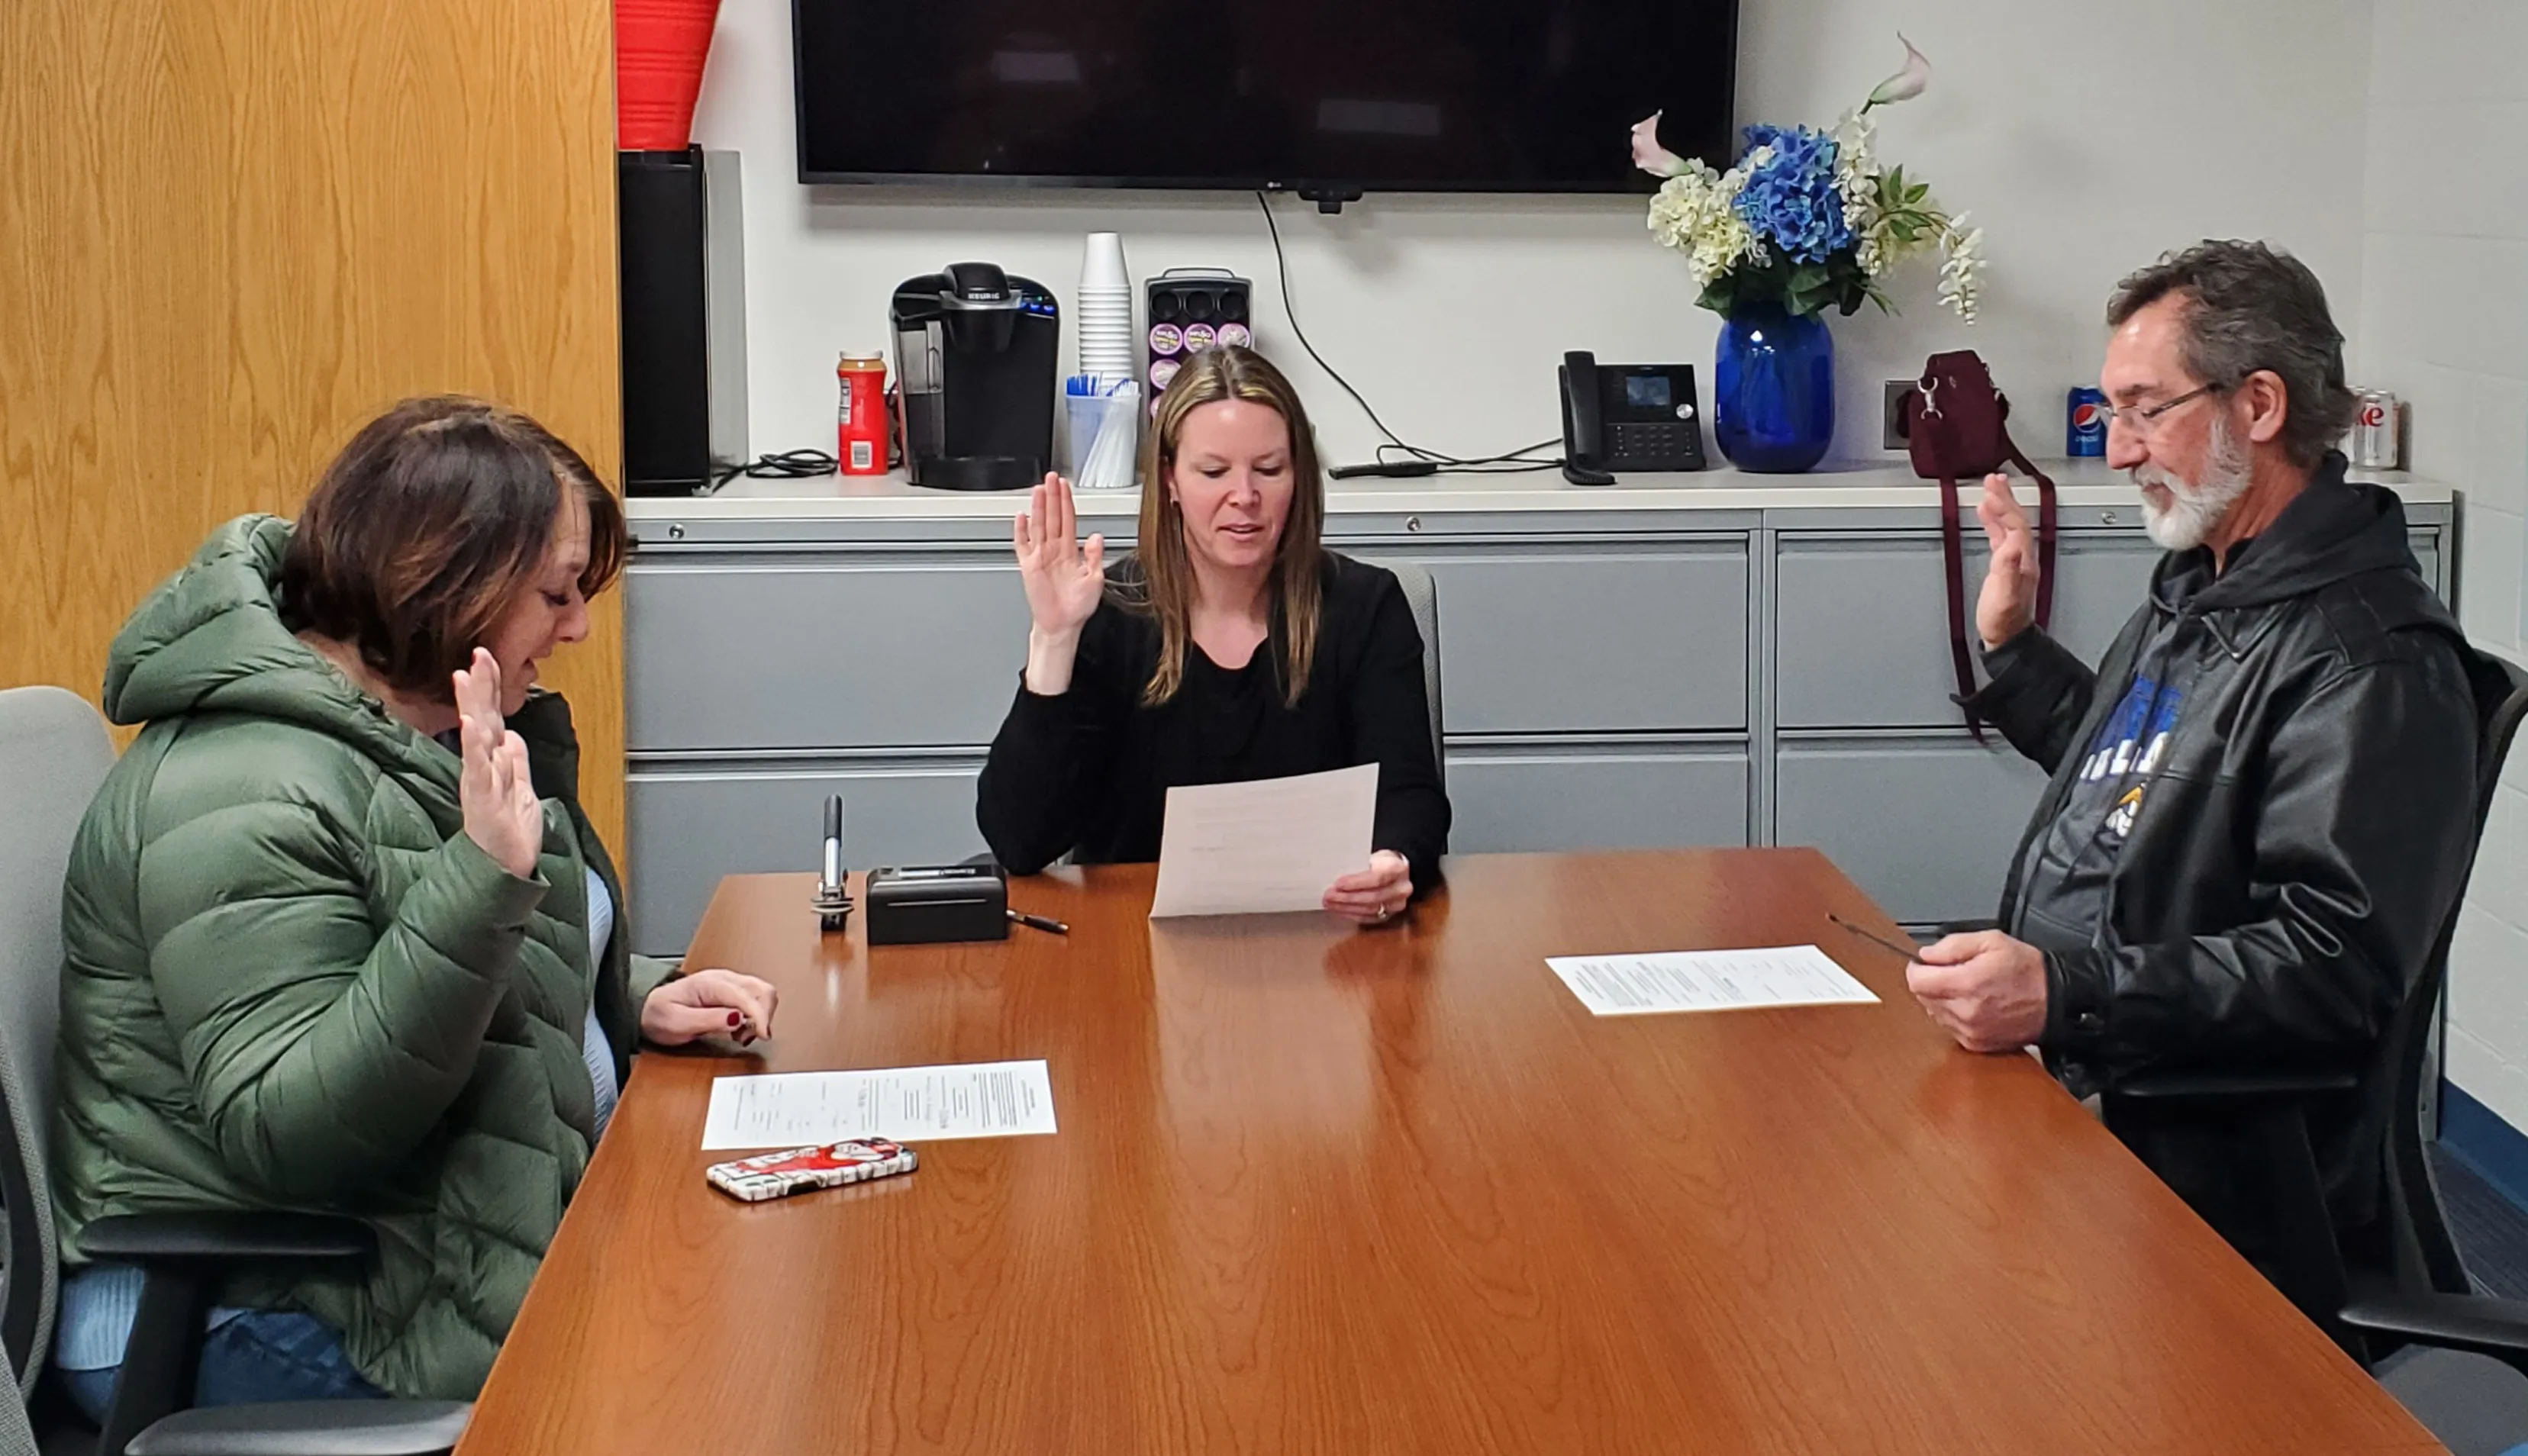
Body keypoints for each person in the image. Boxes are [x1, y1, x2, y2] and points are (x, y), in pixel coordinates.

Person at [49, 396, 780, 1414]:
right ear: (446, 582)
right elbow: (292, 1130)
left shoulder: (412, 728)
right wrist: (482, 879)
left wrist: (632, 1001)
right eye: (555, 594)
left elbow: (415, 959)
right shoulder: (238, 791)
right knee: (712, 1381)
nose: (576, 628)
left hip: (416, 1243)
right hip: (265, 1305)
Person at [1903, 241, 2504, 1273]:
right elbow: (2147, 791)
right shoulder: (2210, 584)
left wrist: (2066, 993)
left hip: (2210, 1175)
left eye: (2144, 409)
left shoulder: (2373, 662)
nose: (2120, 449)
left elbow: (2333, 971)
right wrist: (2012, 652)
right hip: (2101, 1088)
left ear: (2259, 406)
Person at [975, 345, 1449, 923]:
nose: (1244, 496)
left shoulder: (1365, 608)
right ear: (1170, 479)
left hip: (1320, 944)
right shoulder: (1113, 612)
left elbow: (1411, 799)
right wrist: (1054, 638)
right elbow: (1019, 841)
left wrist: (1394, 863)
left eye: (1269, 469)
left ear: (1298, 477)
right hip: (1133, 959)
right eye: (1214, 471)